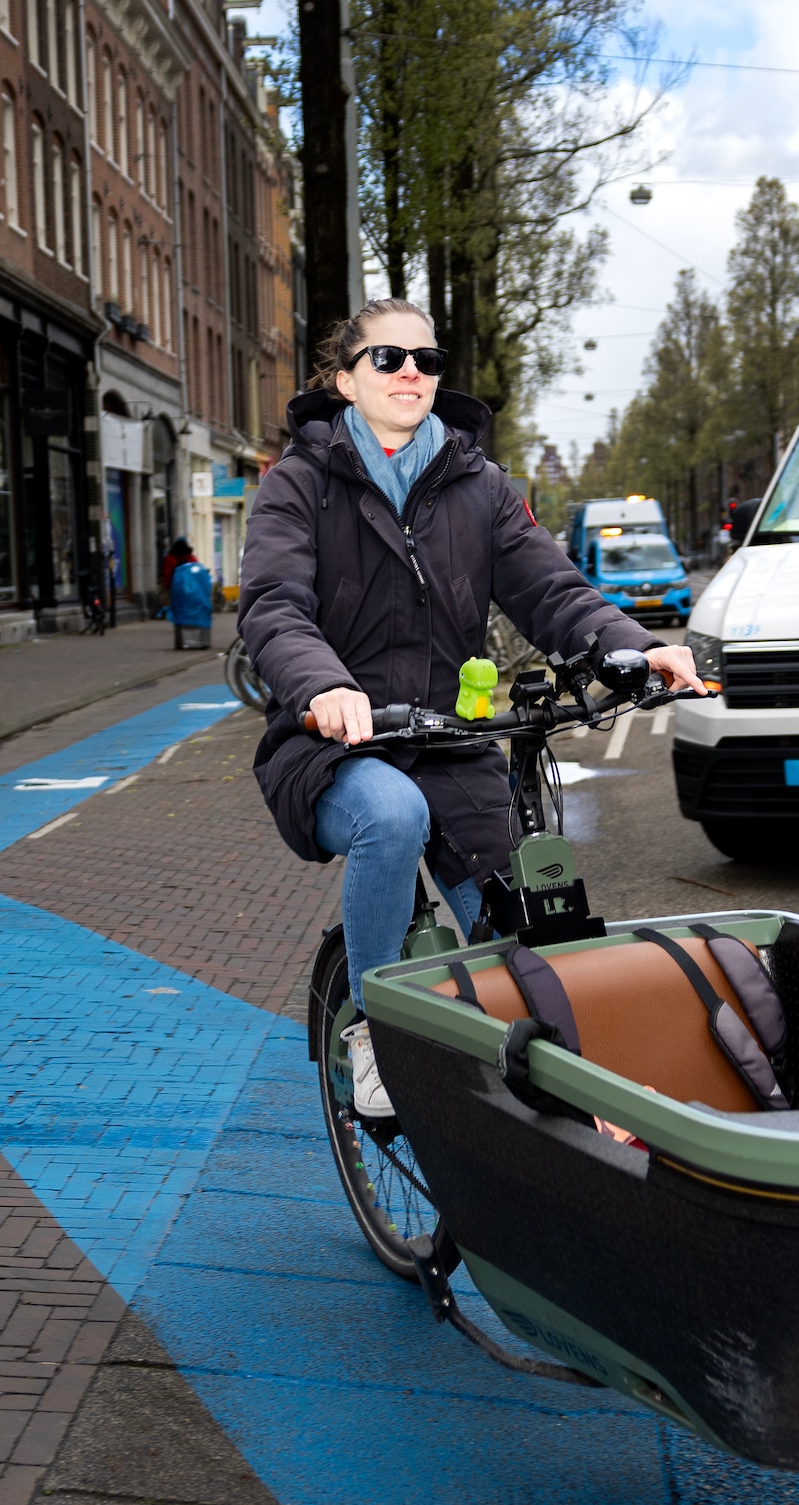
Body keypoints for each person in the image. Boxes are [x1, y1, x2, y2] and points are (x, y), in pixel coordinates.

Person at [239, 298, 701, 1115]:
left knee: (521, 919)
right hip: (334, 742)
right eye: (387, 358)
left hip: (449, 739)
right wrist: (323, 686)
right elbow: (275, 605)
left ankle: (540, 1096)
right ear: (346, 380)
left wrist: (633, 646)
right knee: (391, 814)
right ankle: (374, 1030)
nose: (411, 370)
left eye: (427, 357)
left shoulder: (476, 483)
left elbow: (551, 589)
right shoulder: (298, 484)